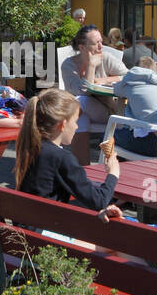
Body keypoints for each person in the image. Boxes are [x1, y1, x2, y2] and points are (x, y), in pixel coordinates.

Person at [16, 88, 121, 217]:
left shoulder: (30, 147)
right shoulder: (62, 158)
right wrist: (113, 174)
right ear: (63, 125)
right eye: (76, 121)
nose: (77, 127)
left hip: (28, 225)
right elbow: (99, 202)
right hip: (47, 230)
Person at [60, 24, 127, 132]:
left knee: (80, 106)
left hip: (109, 110)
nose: (101, 46)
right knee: (81, 116)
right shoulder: (68, 66)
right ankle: (82, 149)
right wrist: (91, 66)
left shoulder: (105, 57)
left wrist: (105, 80)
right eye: (96, 43)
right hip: (78, 110)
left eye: (101, 41)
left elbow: (129, 76)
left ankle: (61, 142)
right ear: (82, 47)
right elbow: (82, 92)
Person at [111, 55, 157, 156]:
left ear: (136, 70)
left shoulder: (130, 82)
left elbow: (116, 91)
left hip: (152, 143)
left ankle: (117, 169)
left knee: (107, 136)